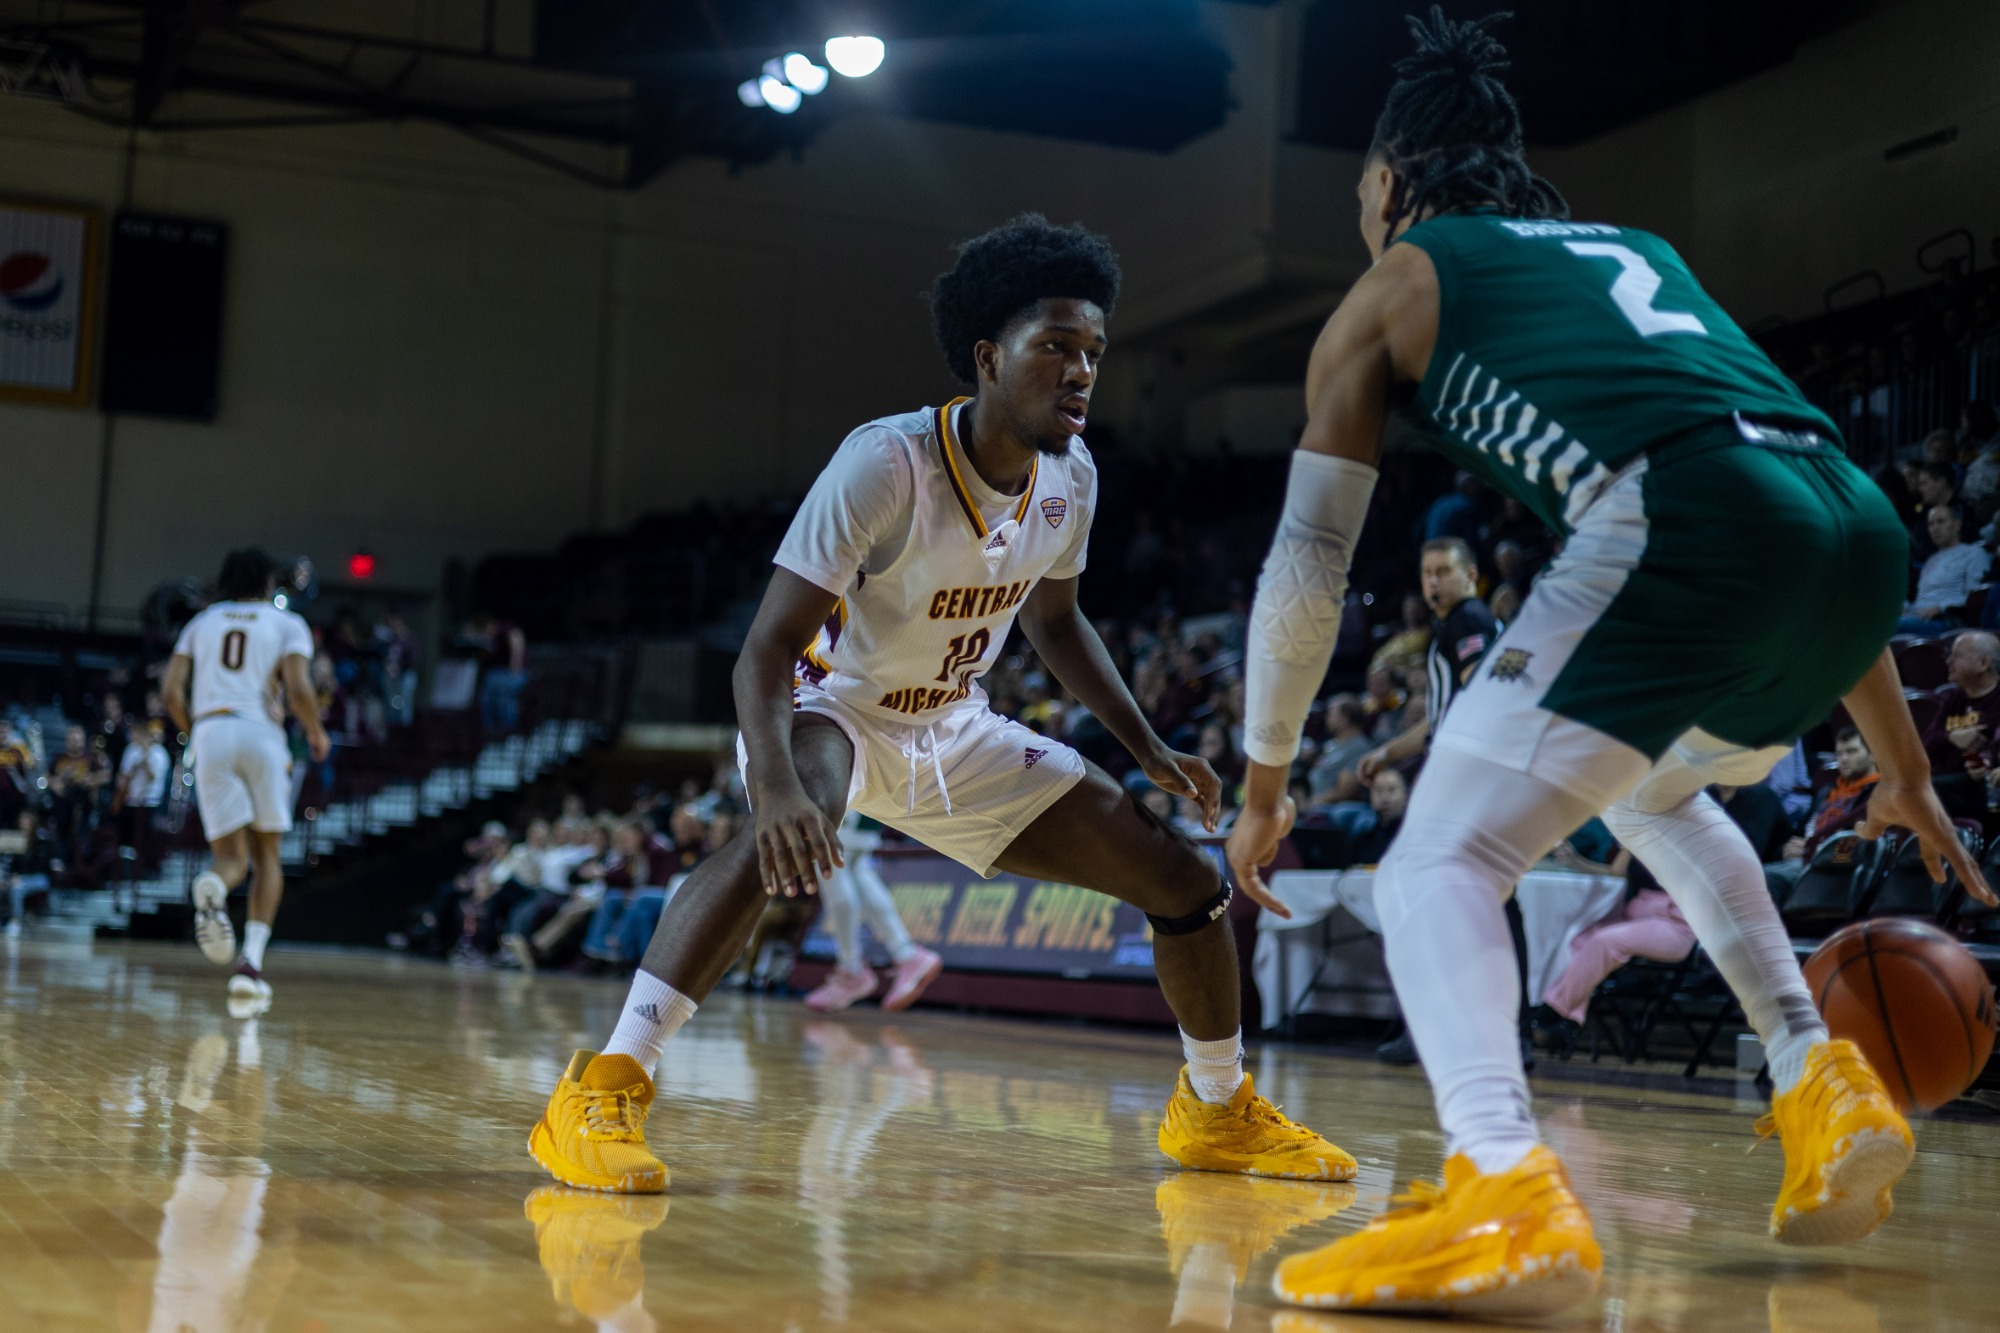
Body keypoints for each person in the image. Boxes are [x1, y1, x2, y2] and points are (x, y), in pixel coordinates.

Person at [1224, 11, 1992, 1316]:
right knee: (1651, 791)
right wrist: (1905, 768)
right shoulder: (1639, 247)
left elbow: (1309, 567)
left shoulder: (1400, 277)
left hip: (1688, 522)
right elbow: (1787, 502)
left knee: (1438, 863)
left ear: (1394, 187)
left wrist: (1262, 780)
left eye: (1366, 195)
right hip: (1850, 528)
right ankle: (1820, 1076)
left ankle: (1503, 1184)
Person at [527, 214, 1352, 1197]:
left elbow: (1057, 626)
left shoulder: (1071, 477)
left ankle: (1215, 1111)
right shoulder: (886, 464)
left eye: (1092, 350)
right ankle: (602, 1089)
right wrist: (779, 786)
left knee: (1184, 885)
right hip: (826, 699)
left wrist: (1149, 747)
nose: (1081, 370)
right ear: (986, 358)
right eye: (1054, 346)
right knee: (790, 826)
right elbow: (762, 650)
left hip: (949, 722)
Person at [164, 547, 331, 1011]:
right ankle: (250, 965)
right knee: (268, 856)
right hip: (260, 733)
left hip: (211, 731)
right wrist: (316, 733)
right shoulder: (286, 623)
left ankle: (215, 885)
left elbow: (170, 691)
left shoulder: (201, 622)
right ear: (267, 585)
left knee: (231, 859)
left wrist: (193, 729)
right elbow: (298, 689)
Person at [1356, 537, 1497, 783]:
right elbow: (1438, 719)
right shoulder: (1457, 621)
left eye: (1443, 572)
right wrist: (1387, 753)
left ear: (1471, 575)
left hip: (1464, 764)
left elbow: (1480, 694)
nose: (1433, 582)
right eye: (1427, 573)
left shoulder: (1466, 618)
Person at [800, 811, 944, 1013]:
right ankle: (906, 953)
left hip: (847, 791)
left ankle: (852, 970)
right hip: (866, 797)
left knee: (831, 862)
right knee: (858, 867)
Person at [1765, 729, 1880, 901]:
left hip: (1832, 868)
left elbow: (1863, 846)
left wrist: (1814, 851)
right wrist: (1785, 850)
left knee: (1762, 879)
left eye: (1852, 751)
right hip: (1802, 863)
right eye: (1839, 753)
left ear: (1873, 755)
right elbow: (1800, 832)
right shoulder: (1827, 793)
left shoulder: (1878, 794)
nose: (1844, 759)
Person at [1896, 502, 1989, 637]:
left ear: (1956, 525)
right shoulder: (1930, 561)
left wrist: (1941, 608)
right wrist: (1904, 607)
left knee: (1883, 629)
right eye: (1931, 524)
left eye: (1940, 522)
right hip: (1918, 618)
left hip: (1946, 621)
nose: (1935, 528)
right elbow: (1922, 601)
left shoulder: (1973, 553)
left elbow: (1976, 599)